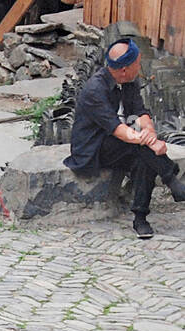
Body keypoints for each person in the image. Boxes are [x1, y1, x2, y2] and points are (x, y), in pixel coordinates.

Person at [65, 39, 185, 240]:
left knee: (143, 158)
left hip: (120, 142)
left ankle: (140, 218)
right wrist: (149, 142)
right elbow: (119, 130)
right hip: (93, 147)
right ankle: (173, 181)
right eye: (137, 63)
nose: (140, 67)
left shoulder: (130, 81)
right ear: (123, 69)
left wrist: (150, 134)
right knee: (140, 148)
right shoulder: (95, 89)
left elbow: (140, 112)